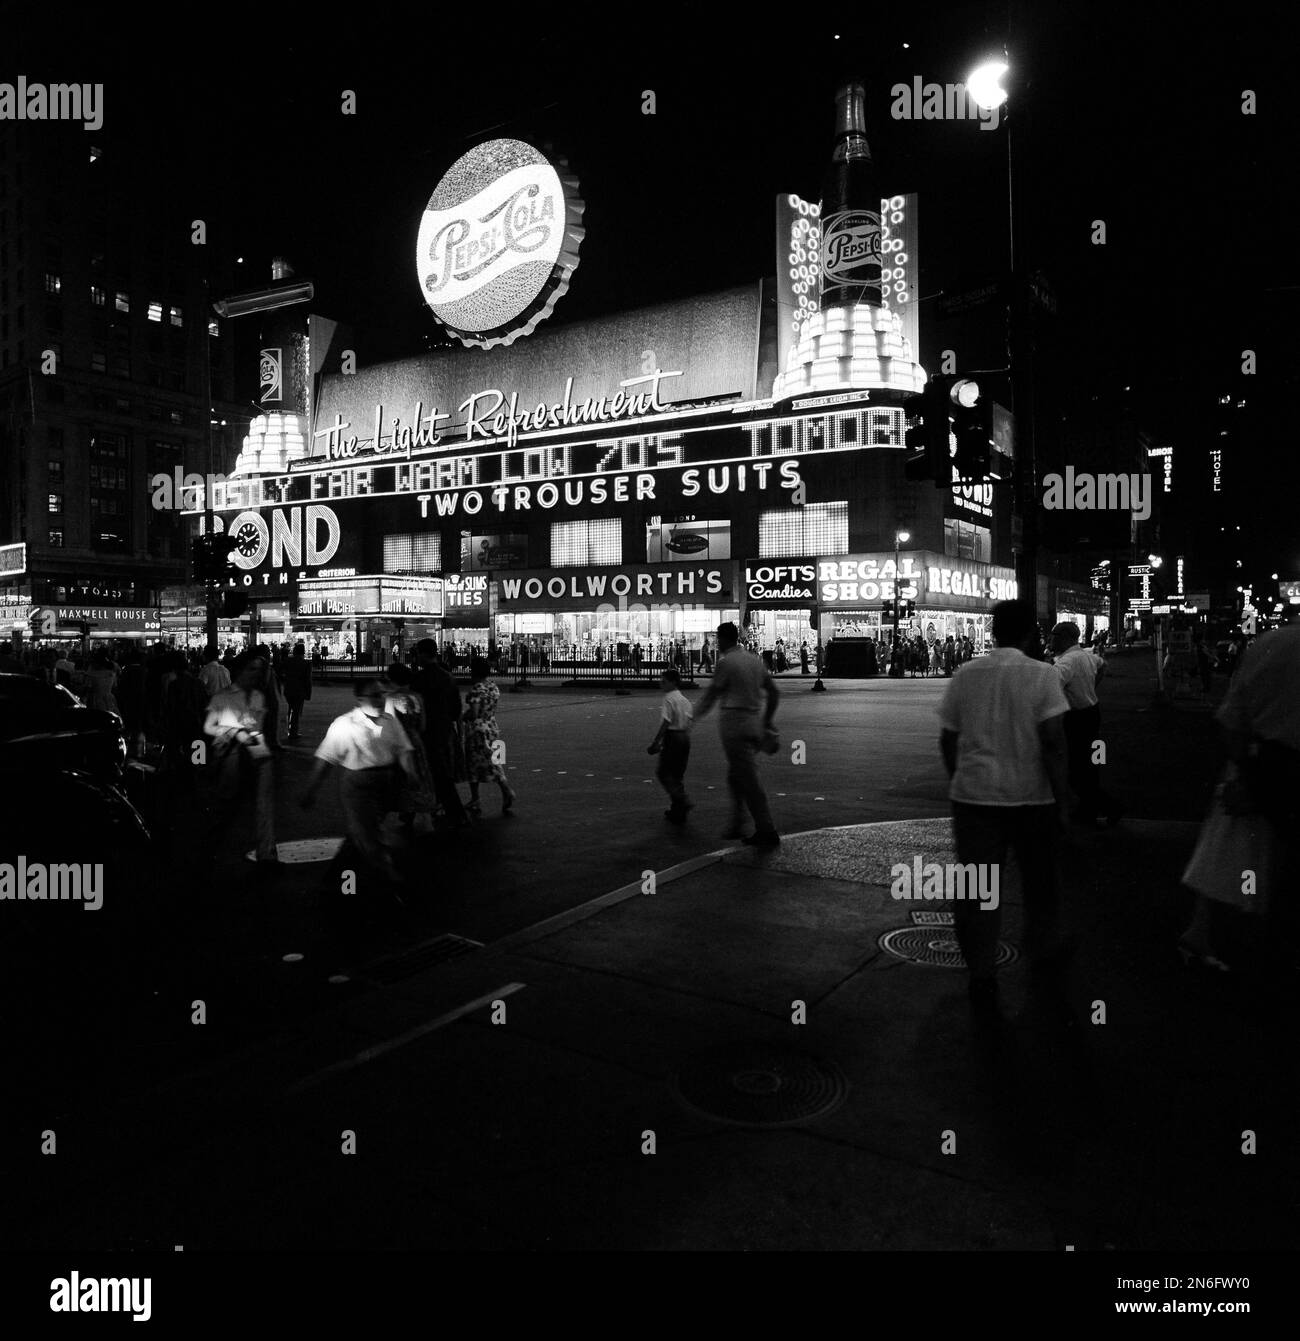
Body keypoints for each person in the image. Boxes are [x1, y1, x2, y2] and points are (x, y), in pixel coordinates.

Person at [938, 600, 1072, 1013]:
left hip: (974, 800)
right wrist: (1063, 799)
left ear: (994, 631)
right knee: (1039, 884)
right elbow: (1054, 742)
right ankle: (1042, 957)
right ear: (1031, 633)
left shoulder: (965, 674)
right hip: (1032, 799)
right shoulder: (1043, 675)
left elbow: (947, 739)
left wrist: (962, 777)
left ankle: (981, 973)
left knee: (978, 890)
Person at [1180, 611, 1300, 968]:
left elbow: (1231, 720)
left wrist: (1249, 778)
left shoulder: (1270, 644)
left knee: (1237, 859)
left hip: (1257, 766)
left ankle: (1214, 940)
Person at [302, 679, 419, 887]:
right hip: (358, 785)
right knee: (368, 833)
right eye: (374, 695)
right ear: (359, 699)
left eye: (382, 694)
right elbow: (326, 758)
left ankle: (341, 880)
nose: (380, 699)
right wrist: (311, 789)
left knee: (363, 831)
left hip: (385, 783)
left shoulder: (390, 720)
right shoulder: (344, 724)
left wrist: (411, 773)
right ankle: (386, 878)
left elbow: (403, 749)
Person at [693, 621, 780, 848]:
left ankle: (766, 829)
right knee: (736, 774)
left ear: (723, 639)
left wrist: (692, 717)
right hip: (753, 721)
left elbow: (712, 694)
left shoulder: (726, 662)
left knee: (749, 779)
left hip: (734, 723)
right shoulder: (754, 660)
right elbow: (773, 692)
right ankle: (738, 819)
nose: (716, 643)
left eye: (717, 639)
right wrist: (767, 720)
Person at [203, 654, 278, 866]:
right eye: (251, 668)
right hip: (233, 756)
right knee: (227, 805)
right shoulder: (223, 696)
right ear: (240, 670)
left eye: (259, 670)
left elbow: (258, 726)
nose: (255, 674)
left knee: (263, 807)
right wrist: (234, 731)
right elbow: (208, 727)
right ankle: (209, 851)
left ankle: (267, 856)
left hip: (258, 754)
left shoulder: (258, 696)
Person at [1050, 620, 1123, 825]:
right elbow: (1103, 665)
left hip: (1076, 718)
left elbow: (1049, 687)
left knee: (1074, 768)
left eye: (1053, 636)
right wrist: (1092, 687)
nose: (1050, 640)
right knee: (1090, 763)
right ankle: (1088, 810)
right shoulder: (1086, 655)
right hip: (1092, 712)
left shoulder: (1066, 662)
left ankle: (1109, 806)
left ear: (1065, 638)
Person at [412, 638, 471, 826]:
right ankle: (446, 810)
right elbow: (456, 709)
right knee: (441, 771)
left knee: (434, 772)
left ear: (422, 654)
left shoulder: (419, 679)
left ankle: (452, 812)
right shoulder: (448, 677)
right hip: (445, 729)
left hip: (427, 731)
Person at [384, 662, 438, 830]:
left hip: (398, 743)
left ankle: (404, 811)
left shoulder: (391, 699)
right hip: (415, 740)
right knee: (419, 776)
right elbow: (422, 725)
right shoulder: (417, 698)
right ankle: (418, 811)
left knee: (398, 779)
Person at [463, 656, 517, 815]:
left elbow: (474, 713)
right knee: (496, 761)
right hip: (493, 727)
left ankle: (476, 798)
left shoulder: (477, 689)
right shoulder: (493, 687)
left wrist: (463, 716)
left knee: (473, 763)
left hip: (478, 730)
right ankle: (505, 789)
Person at [647, 667, 693, 824]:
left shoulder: (669, 699)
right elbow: (689, 720)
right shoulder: (685, 700)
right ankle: (678, 810)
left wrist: (656, 741)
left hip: (672, 736)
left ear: (672, 683)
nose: (661, 684)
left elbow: (666, 721)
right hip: (684, 736)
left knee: (664, 772)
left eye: (664, 681)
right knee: (678, 774)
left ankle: (681, 800)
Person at [281, 642, 313, 740]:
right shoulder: (306, 663)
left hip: (289, 688)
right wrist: (308, 692)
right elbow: (308, 680)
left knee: (291, 709)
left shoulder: (288, 661)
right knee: (296, 711)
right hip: (299, 690)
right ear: (303, 652)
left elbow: (281, 672)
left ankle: (289, 729)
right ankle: (293, 731)